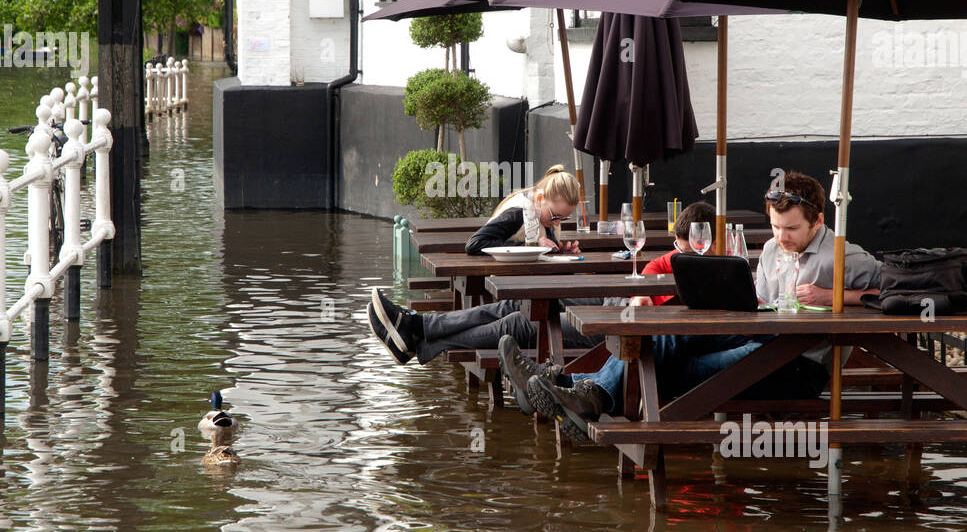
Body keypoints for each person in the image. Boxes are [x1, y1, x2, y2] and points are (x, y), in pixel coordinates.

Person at [525, 171, 881, 439]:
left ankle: (567, 384)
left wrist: (835, 297)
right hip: (759, 336)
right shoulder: (772, 249)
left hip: (797, 363)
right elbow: (761, 301)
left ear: (818, 221)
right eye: (775, 227)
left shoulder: (843, 256)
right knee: (668, 335)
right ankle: (580, 393)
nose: (780, 237)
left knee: (680, 368)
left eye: (790, 229)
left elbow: (895, 293)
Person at [498, 199, 715, 418]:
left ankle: (567, 386)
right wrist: (642, 293)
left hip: (642, 334)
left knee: (520, 321)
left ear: (713, 243)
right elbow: (657, 266)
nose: (679, 256)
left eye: (690, 252)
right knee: (518, 309)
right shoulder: (679, 259)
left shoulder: (725, 274)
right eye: (678, 248)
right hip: (623, 313)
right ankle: (563, 384)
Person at [368, 165, 593, 369]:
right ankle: (418, 329)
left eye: (562, 220)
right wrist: (525, 245)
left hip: (524, 283)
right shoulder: (519, 212)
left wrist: (559, 252)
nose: (556, 223)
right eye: (555, 217)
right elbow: (474, 244)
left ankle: (417, 331)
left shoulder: (539, 213)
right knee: (513, 312)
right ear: (541, 198)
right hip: (502, 280)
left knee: (515, 315)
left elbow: (538, 249)